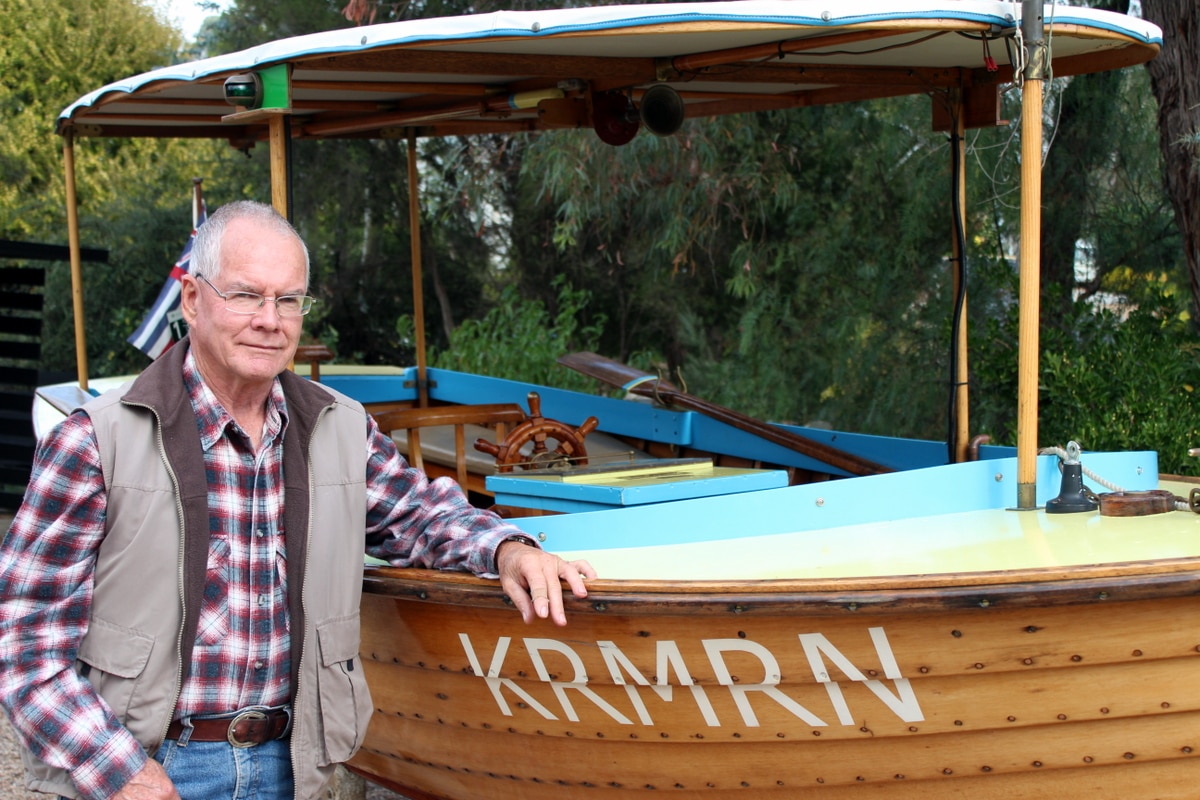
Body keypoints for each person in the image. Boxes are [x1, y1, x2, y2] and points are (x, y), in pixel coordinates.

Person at [0, 200, 596, 800]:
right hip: (150, 768)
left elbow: (421, 515)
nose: (270, 319)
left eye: (289, 300)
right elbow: (23, 646)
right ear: (191, 300)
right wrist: (124, 774)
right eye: (246, 295)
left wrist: (509, 551)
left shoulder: (339, 427)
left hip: (292, 767)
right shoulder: (93, 442)